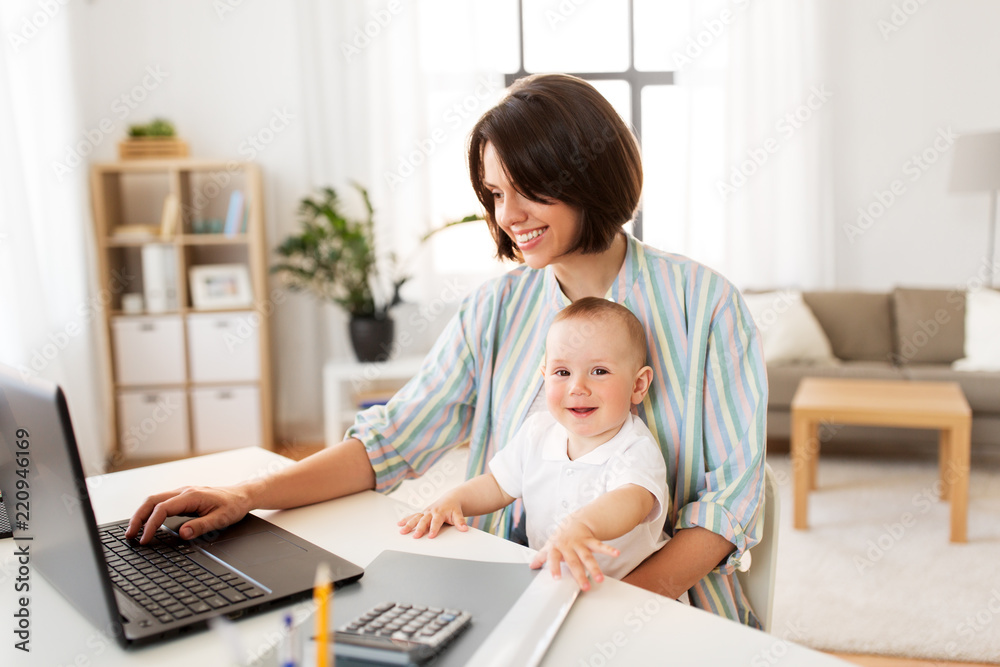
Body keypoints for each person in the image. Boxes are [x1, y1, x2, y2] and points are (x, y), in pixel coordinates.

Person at [127, 73, 767, 627]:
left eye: (527, 188)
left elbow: (727, 505)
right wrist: (247, 494)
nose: (507, 215)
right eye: (495, 193)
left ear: (587, 176)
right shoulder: (494, 309)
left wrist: (609, 615)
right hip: (516, 590)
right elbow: (392, 440)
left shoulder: (705, 304)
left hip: (659, 604)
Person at [398, 297, 668, 592]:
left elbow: (632, 500)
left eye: (599, 371)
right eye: (562, 373)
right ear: (544, 377)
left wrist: (585, 526)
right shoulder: (537, 432)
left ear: (638, 385)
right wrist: (455, 499)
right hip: (552, 583)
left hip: (622, 591)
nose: (577, 387)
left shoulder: (634, 447)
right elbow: (498, 485)